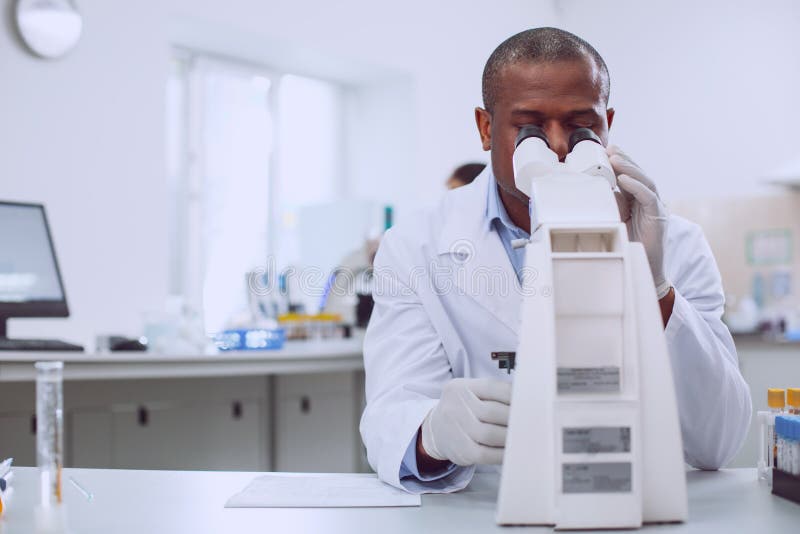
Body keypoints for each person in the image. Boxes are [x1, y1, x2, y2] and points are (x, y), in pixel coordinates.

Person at [360, 27, 752, 494]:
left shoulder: (674, 244)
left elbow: (720, 440)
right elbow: (391, 414)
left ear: (607, 124)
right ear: (486, 128)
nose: (558, 145)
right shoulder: (415, 245)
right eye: (529, 126)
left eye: (580, 125)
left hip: (632, 503)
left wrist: (654, 286)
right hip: (484, 510)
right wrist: (433, 434)